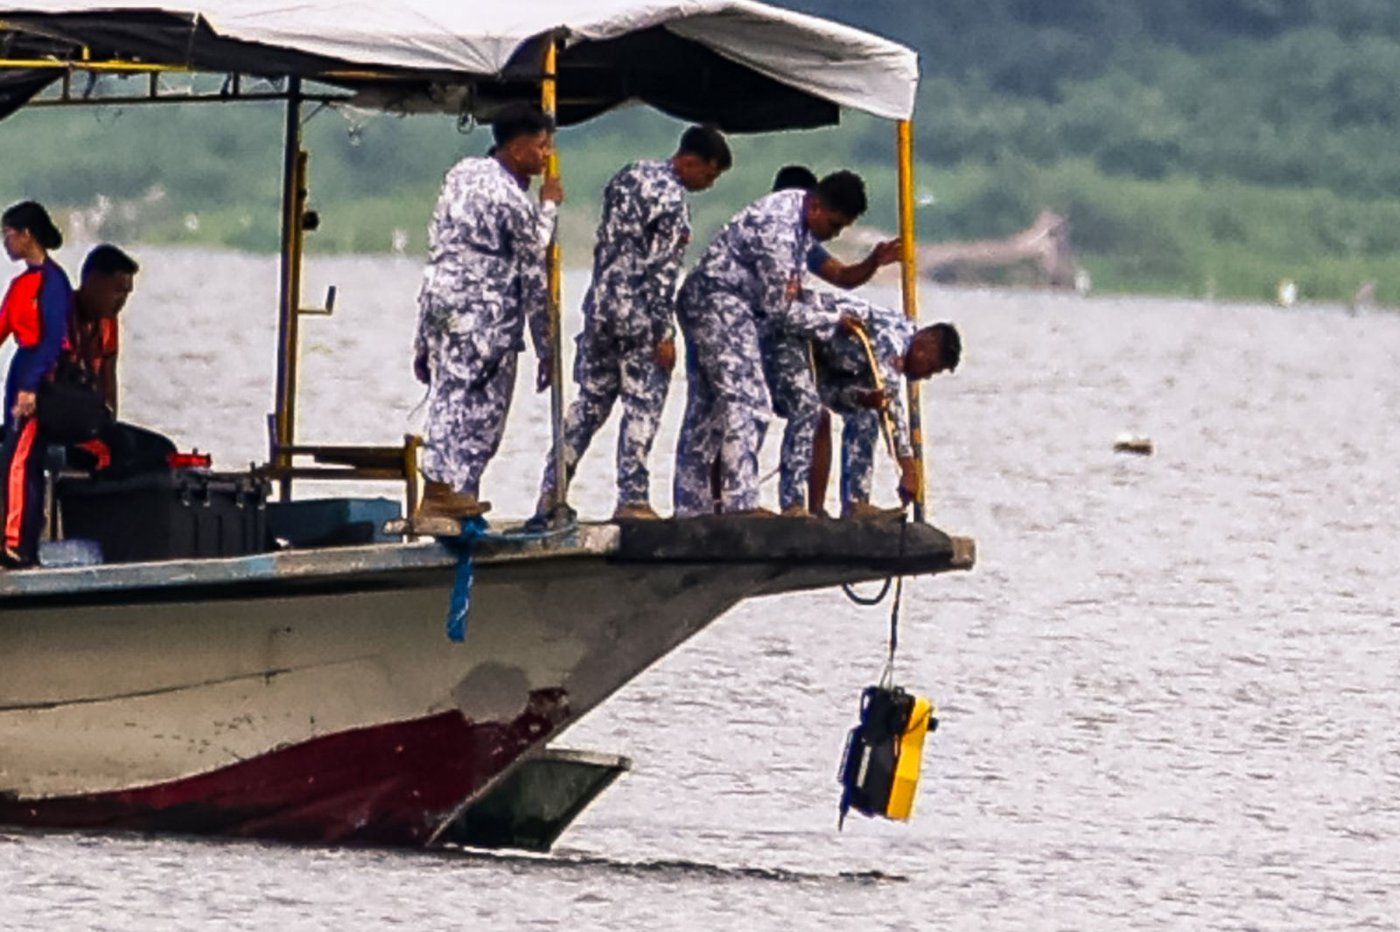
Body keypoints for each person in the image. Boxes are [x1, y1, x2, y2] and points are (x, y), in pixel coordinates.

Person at [532, 125, 731, 522]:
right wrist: (665, 333)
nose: (707, 185)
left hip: (601, 308)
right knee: (643, 406)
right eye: (708, 175)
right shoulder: (673, 201)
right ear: (690, 161)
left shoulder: (628, 175)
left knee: (589, 404)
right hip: (639, 316)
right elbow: (661, 270)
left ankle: (552, 490)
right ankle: (632, 498)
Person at [672, 170, 870, 517]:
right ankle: (741, 503)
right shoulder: (779, 229)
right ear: (818, 207)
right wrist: (833, 321)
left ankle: (692, 509)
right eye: (835, 225)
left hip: (712, 300)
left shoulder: (799, 222)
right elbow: (781, 313)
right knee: (750, 401)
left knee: (708, 410)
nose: (834, 235)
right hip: (718, 300)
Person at [411, 102, 562, 521]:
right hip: (481, 315)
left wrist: (423, 338)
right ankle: (442, 490)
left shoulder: (462, 174)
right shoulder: (507, 196)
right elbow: (534, 259)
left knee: (451, 398)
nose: (547, 156)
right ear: (517, 149)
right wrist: (548, 205)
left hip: (441, 302)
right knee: (470, 406)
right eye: (542, 146)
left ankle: (455, 494)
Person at [757, 165, 901, 516]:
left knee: (832, 413)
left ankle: (826, 508)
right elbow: (775, 309)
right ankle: (779, 503)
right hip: (757, 339)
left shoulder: (804, 242)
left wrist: (873, 261)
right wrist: (829, 321)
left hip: (792, 337)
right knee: (795, 409)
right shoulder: (771, 232)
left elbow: (841, 276)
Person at [812, 299, 961, 517]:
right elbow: (889, 402)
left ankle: (854, 504)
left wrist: (907, 465)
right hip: (802, 352)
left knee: (865, 415)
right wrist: (908, 468)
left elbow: (880, 397)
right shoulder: (893, 339)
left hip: (830, 373)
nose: (926, 376)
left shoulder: (903, 335)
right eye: (930, 367)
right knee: (845, 415)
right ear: (922, 344)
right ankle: (818, 507)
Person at [0, 201, 73, 567]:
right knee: (12, 455)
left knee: (20, 459)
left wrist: (31, 387)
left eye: (9, 235)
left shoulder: (53, 282)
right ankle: (14, 536)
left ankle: (17, 542)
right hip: (20, 368)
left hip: (39, 374)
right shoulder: (20, 285)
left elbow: (52, 338)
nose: (5, 242)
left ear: (27, 235)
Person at [70, 244, 138, 417]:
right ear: (92, 282)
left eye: (126, 294)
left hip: (88, 419)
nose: (122, 301)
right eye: (117, 291)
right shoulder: (60, 315)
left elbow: (108, 380)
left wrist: (110, 425)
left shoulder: (108, 323)